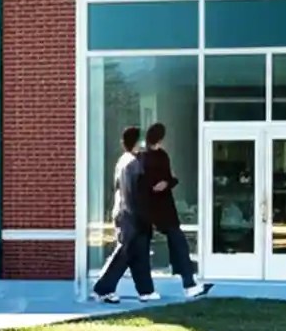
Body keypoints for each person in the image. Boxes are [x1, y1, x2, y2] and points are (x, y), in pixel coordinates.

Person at [143, 123, 213, 299]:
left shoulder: (146, 157)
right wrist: (164, 184)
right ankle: (188, 283)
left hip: (155, 206)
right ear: (160, 139)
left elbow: (165, 179)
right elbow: (164, 179)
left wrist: (166, 183)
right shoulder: (156, 157)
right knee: (177, 243)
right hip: (160, 207)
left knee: (173, 243)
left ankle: (187, 282)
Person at [91, 127, 160, 304]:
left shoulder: (123, 161)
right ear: (137, 142)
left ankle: (146, 290)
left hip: (125, 214)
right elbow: (136, 194)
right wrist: (144, 217)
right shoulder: (134, 165)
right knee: (125, 253)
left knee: (140, 253)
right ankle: (103, 289)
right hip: (133, 215)